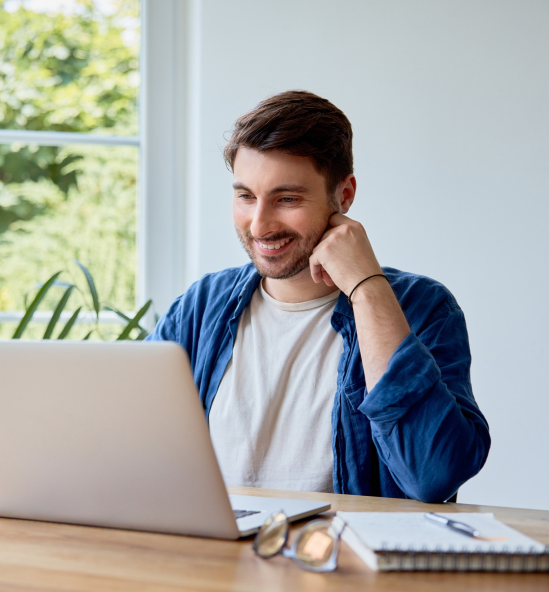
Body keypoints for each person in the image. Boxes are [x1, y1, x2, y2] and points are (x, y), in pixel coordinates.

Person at [147, 90, 490, 502]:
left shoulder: (422, 307)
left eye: (287, 199)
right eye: (245, 196)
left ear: (343, 196)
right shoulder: (202, 305)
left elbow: (433, 476)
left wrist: (366, 287)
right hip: (218, 561)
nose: (259, 225)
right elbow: (128, 438)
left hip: (348, 562)